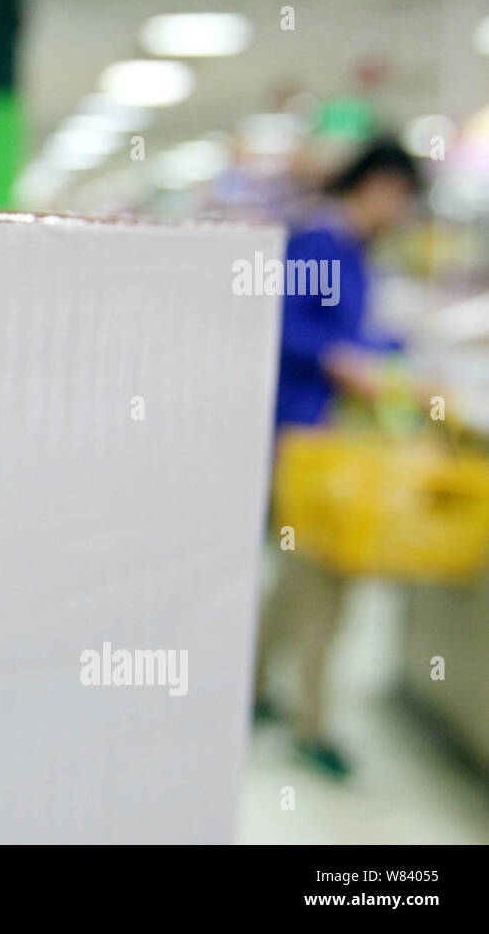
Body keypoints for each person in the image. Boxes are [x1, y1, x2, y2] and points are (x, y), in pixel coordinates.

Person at [254, 137, 423, 779]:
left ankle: (254, 687)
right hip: (301, 440)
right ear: (378, 186)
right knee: (324, 579)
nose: (401, 212)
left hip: (327, 441)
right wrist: (339, 360)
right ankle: (311, 721)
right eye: (400, 196)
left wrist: (395, 349)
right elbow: (283, 322)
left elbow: (349, 332)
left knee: (300, 574)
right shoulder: (321, 245)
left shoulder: (354, 255)